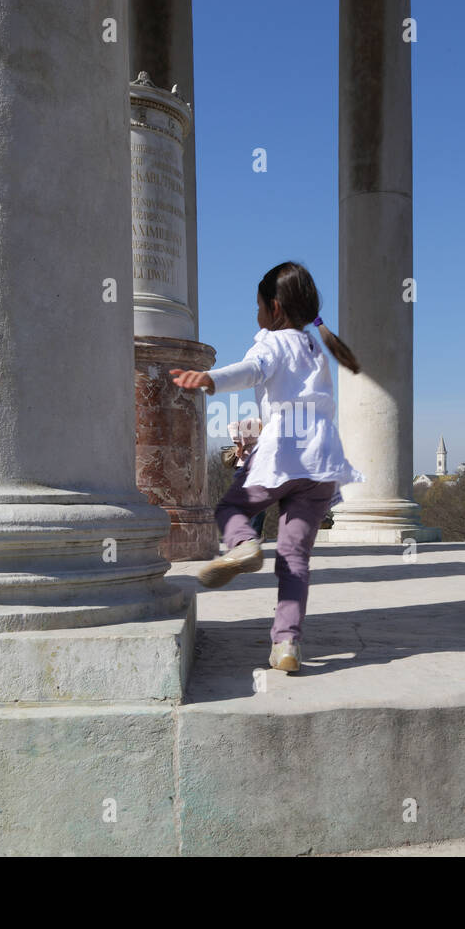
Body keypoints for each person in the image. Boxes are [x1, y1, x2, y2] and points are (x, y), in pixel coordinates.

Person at [170, 261, 365, 673]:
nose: (255, 314)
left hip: (284, 452)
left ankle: (242, 544)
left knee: (231, 509)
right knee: (295, 557)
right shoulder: (316, 347)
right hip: (322, 460)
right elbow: (297, 401)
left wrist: (209, 380)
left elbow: (251, 371)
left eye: (258, 306)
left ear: (274, 308)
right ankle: (287, 644)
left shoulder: (271, 342)